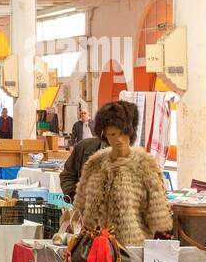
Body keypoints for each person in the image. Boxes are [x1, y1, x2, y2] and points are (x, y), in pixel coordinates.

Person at [74, 100, 172, 247]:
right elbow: (79, 208)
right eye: (112, 134)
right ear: (105, 135)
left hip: (130, 247)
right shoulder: (94, 165)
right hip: (94, 248)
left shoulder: (145, 166)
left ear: (130, 131)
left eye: (122, 133)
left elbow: (157, 218)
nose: (119, 139)